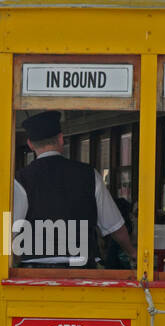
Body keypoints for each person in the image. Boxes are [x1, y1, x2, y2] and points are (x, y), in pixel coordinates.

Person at [12, 111, 136, 267]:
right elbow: (115, 226)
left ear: (30, 144)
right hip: (81, 271)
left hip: (35, 273)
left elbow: (11, 232)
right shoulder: (89, 175)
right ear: (61, 139)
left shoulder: (21, 180)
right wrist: (132, 252)